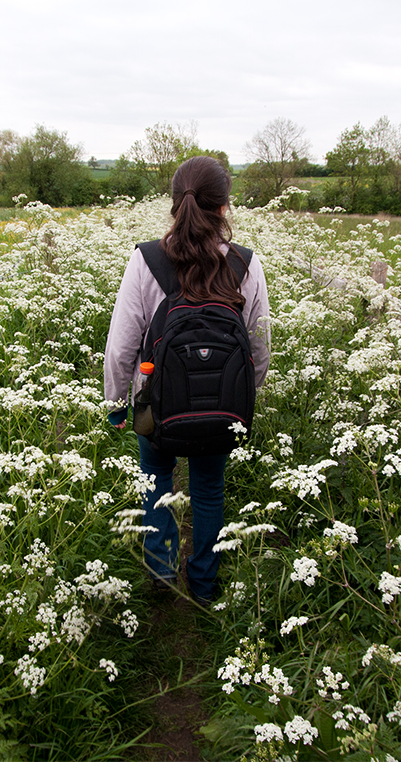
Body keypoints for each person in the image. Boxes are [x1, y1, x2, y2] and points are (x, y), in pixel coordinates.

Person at [103, 156, 270, 605]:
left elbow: (121, 346)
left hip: (156, 403)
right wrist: (240, 399)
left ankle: (161, 571)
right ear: (225, 206)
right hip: (223, 408)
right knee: (209, 489)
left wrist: (117, 404)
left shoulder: (147, 259)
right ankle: (205, 582)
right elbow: (258, 347)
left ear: (174, 203)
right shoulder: (246, 264)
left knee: (156, 478)